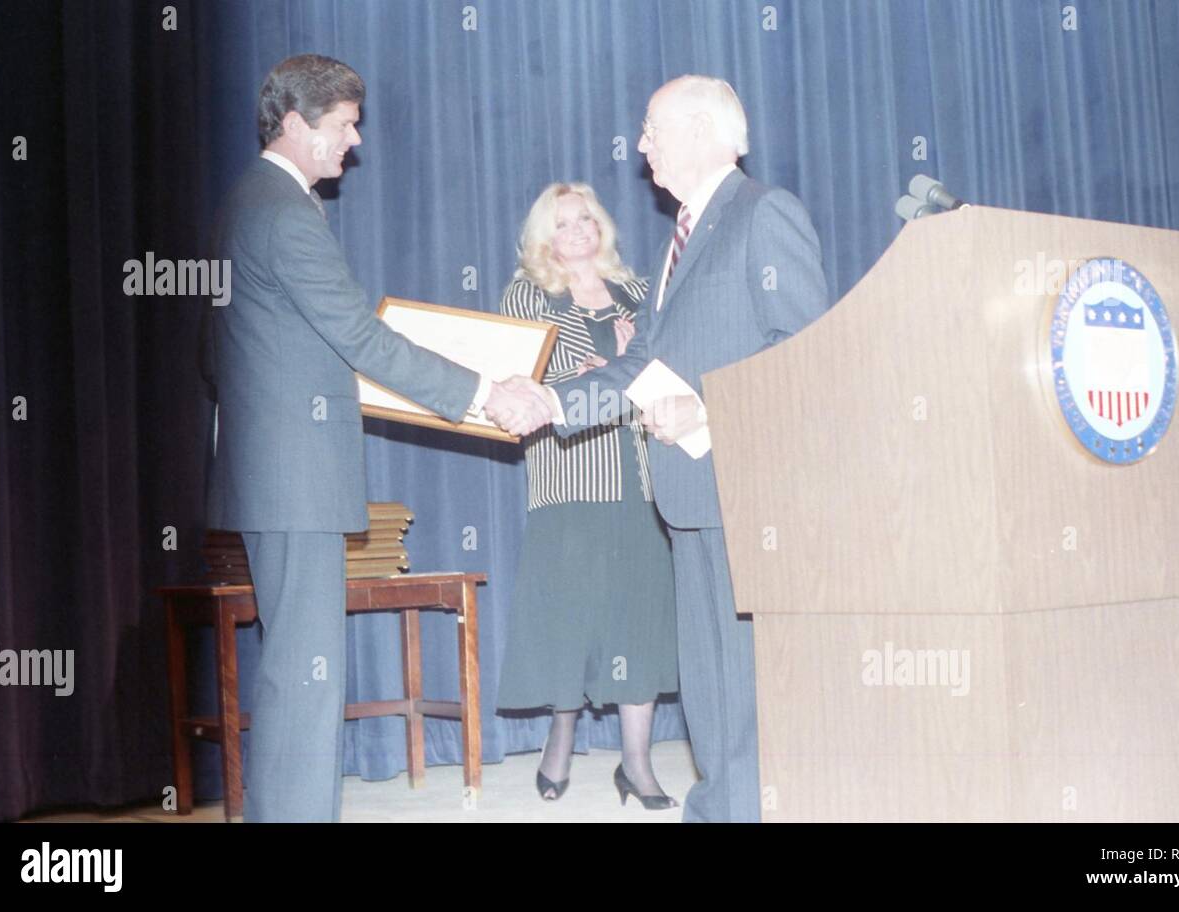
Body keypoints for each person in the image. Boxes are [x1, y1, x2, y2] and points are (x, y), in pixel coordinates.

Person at [203, 54, 553, 822]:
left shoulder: (243, 203)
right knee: (305, 672)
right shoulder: (284, 211)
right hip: (293, 480)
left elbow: (225, 352)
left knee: (294, 666)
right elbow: (363, 338)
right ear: (295, 124)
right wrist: (484, 393)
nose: (354, 142)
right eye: (343, 125)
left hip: (273, 477)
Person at [547, 76, 830, 822]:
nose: (640, 146)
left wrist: (704, 414)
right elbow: (647, 363)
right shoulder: (682, 240)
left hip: (751, 487)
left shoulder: (765, 214)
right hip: (694, 495)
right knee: (711, 680)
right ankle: (722, 808)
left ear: (703, 130)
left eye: (651, 129)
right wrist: (551, 401)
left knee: (750, 681)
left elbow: (804, 356)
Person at [497, 183, 680, 809]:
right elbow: (534, 384)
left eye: (586, 218)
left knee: (639, 615)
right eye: (562, 222)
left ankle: (636, 762)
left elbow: (667, 371)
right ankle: (562, 733)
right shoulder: (529, 294)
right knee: (570, 615)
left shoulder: (638, 291)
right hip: (570, 475)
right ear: (543, 237)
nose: (577, 230)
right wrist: (621, 362)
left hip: (641, 472)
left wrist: (636, 363)